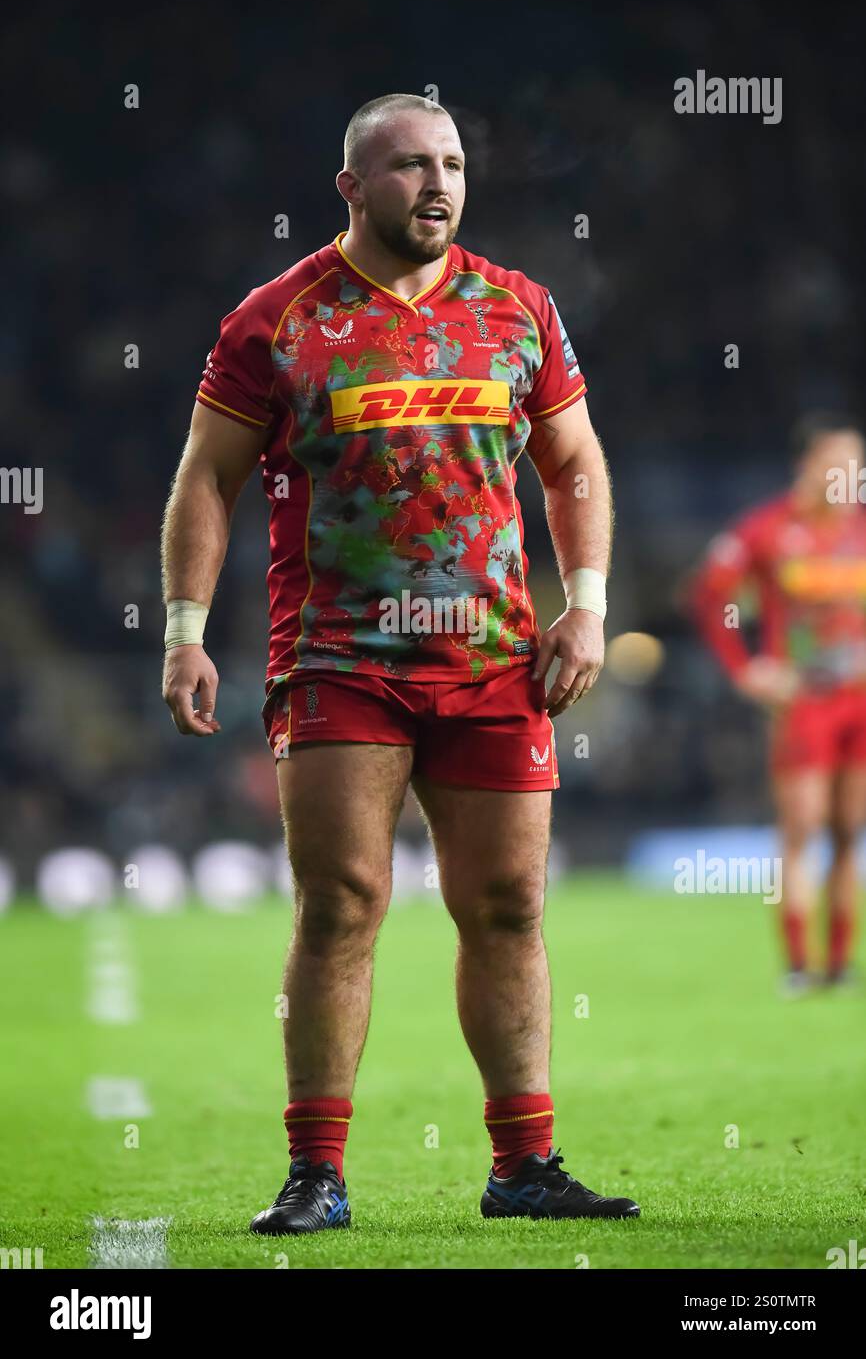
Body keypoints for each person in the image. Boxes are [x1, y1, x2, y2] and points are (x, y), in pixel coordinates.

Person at [161, 93, 639, 1232]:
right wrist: (183, 629)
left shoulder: (518, 306)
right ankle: (314, 1175)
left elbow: (571, 464)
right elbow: (205, 479)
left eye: (455, 165)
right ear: (351, 187)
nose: (438, 185)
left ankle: (523, 1166)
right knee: (339, 905)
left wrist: (588, 607)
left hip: (492, 658)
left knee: (509, 905)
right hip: (339, 657)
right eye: (411, 165)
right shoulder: (275, 320)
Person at [692, 413, 866, 995]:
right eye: (839, 459)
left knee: (849, 832)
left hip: (859, 701)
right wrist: (747, 671)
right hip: (805, 702)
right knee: (802, 829)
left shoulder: (860, 530)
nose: (850, 471)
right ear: (808, 465)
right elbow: (711, 594)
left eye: (856, 461)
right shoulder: (768, 530)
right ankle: (796, 966)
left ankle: (839, 966)